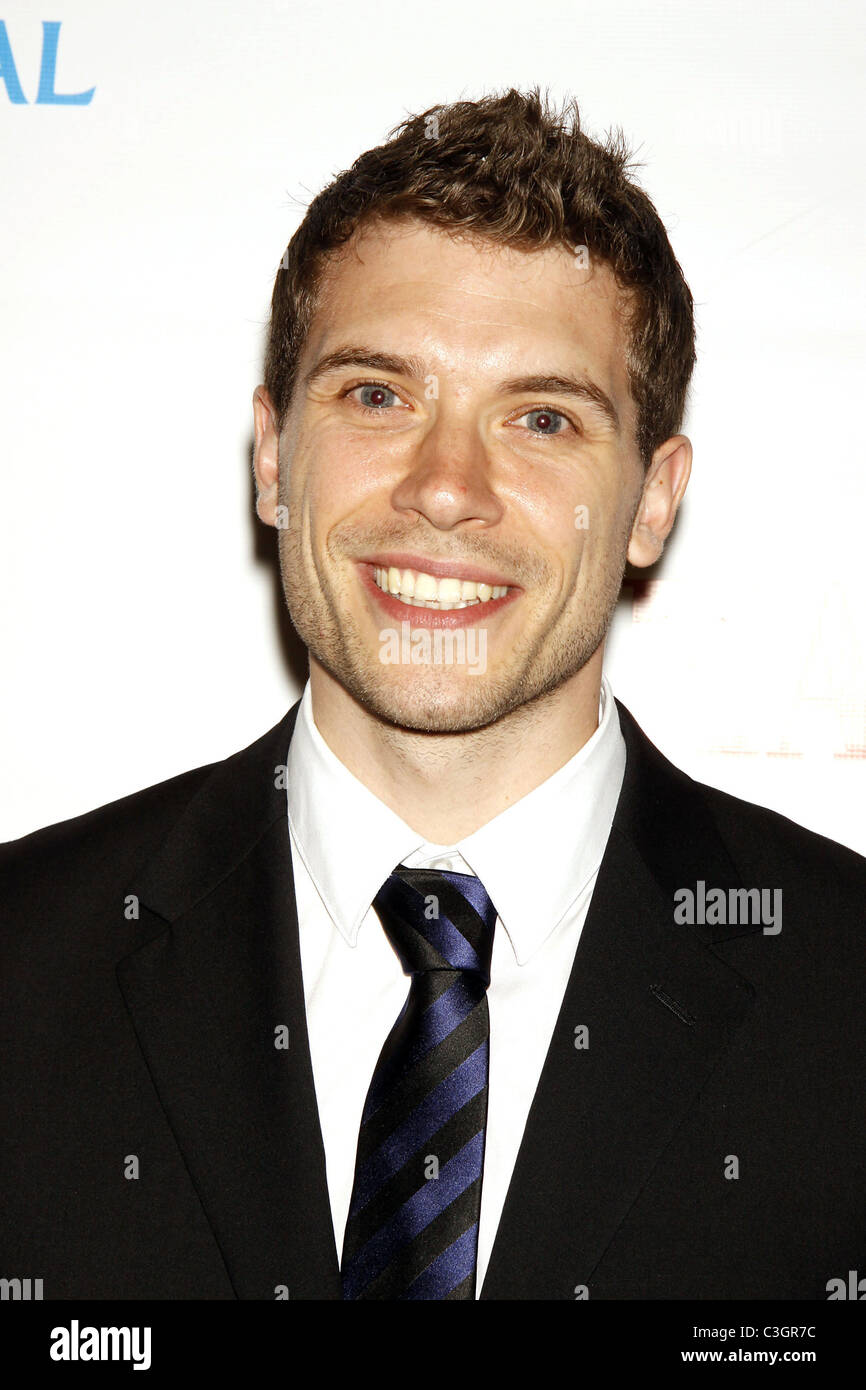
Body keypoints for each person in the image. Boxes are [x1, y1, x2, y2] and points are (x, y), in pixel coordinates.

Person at [1, 88, 864, 1302]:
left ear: (652, 501)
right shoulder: (22, 965)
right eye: (375, 395)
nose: (446, 486)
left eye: (542, 417)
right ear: (270, 455)